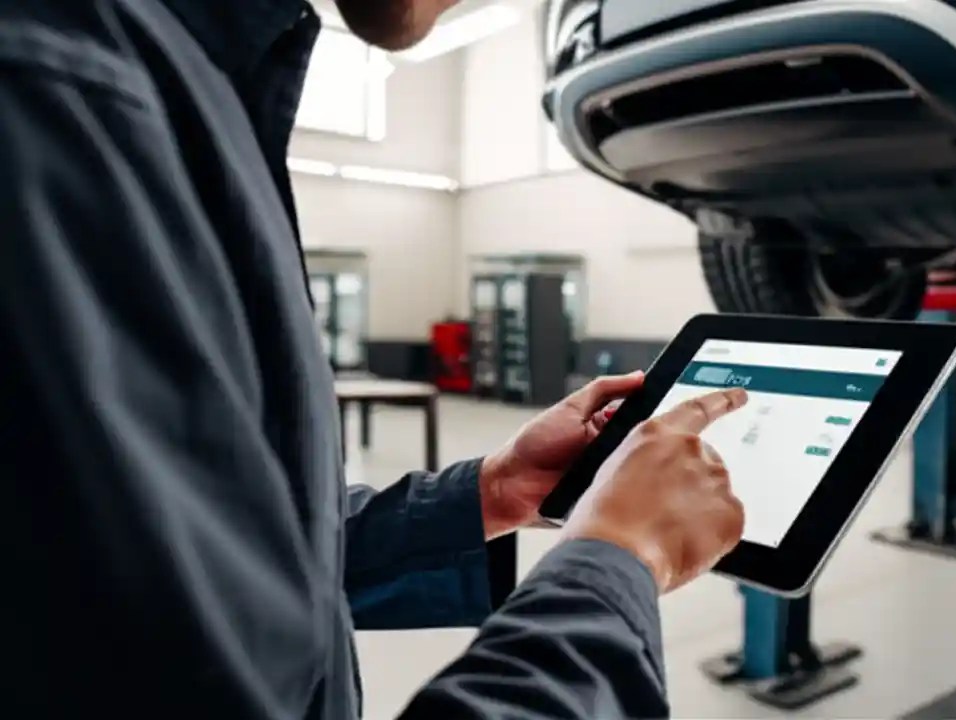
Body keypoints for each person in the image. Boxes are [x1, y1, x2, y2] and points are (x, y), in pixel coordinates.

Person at [0, 0, 749, 717]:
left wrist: (487, 493)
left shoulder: (175, 85)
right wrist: (616, 561)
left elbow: (210, 571)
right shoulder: (72, 90)